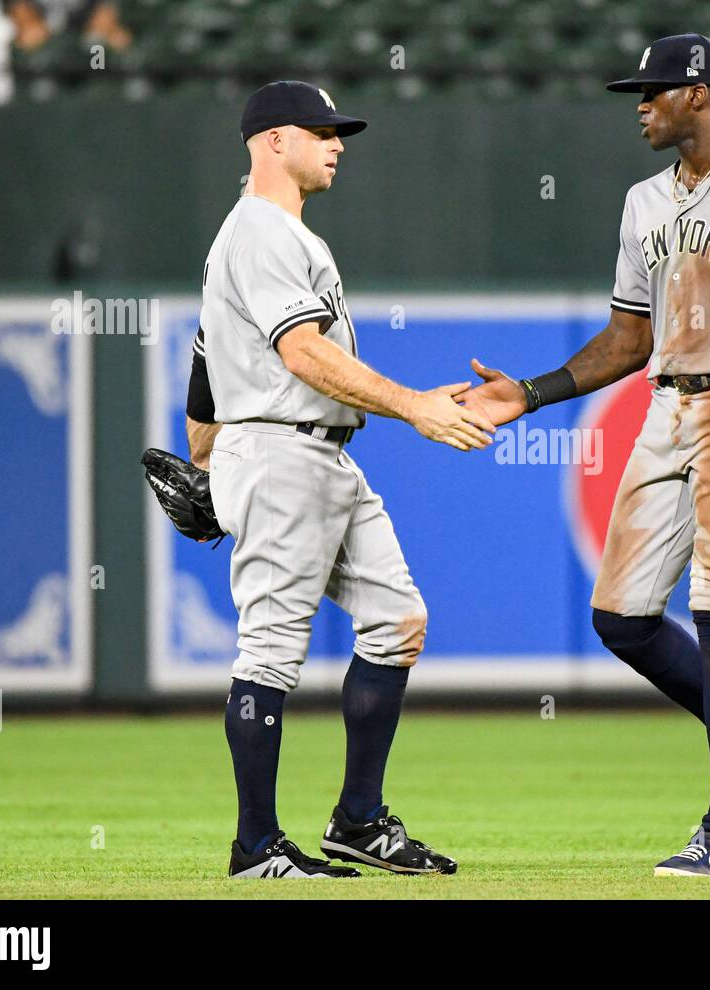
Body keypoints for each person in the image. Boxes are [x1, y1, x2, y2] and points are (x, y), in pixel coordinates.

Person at [460, 34, 710, 877]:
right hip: (669, 402)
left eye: (652, 90)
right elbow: (626, 340)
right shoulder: (643, 202)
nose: (640, 105)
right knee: (620, 619)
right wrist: (529, 393)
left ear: (700, 94)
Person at [188, 80, 494, 878]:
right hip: (283, 451)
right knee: (271, 653)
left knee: (398, 620)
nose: (338, 142)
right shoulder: (258, 230)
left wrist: (201, 454)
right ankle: (255, 845)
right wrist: (413, 406)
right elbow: (303, 355)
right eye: (321, 129)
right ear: (272, 141)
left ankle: (358, 819)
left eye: (338, 130)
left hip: (315, 455)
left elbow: (203, 356)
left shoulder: (281, 235)